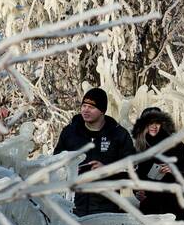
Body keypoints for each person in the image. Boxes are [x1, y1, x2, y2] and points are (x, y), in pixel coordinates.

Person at [52, 87, 135, 216]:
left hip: (106, 208)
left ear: (102, 110)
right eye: (84, 105)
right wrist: (69, 169)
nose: (85, 110)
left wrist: (107, 170)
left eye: (91, 107)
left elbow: (131, 170)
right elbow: (55, 163)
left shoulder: (118, 134)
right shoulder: (70, 132)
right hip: (73, 207)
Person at [131, 106, 184, 218]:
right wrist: (137, 192)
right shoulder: (138, 148)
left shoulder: (175, 144)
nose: (154, 126)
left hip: (175, 205)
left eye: (157, 122)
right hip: (150, 207)